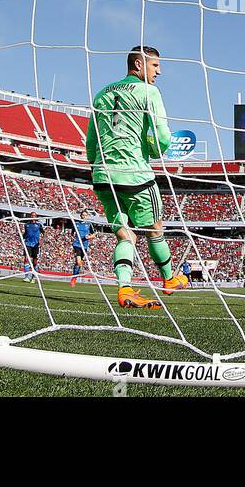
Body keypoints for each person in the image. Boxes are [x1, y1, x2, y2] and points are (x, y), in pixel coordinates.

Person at [84, 45, 188, 309]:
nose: (159, 72)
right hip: (135, 174)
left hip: (102, 174)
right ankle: (169, 279)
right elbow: (163, 137)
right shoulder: (149, 91)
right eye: (155, 66)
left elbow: (90, 145)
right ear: (139, 65)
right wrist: (154, 149)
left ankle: (125, 289)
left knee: (125, 235)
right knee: (155, 228)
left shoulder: (101, 95)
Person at [69, 209, 93, 287]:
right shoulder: (76, 223)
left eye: (86, 215)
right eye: (83, 215)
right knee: (78, 261)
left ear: (87, 216)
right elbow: (72, 233)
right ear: (81, 216)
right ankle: (73, 279)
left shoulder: (89, 224)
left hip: (84, 245)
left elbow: (94, 234)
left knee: (78, 263)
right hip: (76, 244)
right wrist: (72, 238)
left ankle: (75, 276)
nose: (84, 216)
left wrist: (89, 237)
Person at [21, 213, 43, 283]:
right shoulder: (26, 225)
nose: (32, 217)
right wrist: (22, 237)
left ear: (36, 217)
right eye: (31, 216)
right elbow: (26, 234)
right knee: (26, 259)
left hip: (36, 245)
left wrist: (42, 240)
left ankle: (33, 278)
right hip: (28, 244)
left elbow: (43, 233)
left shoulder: (39, 225)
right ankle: (26, 277)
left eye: (34, 216)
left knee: (35, 262)